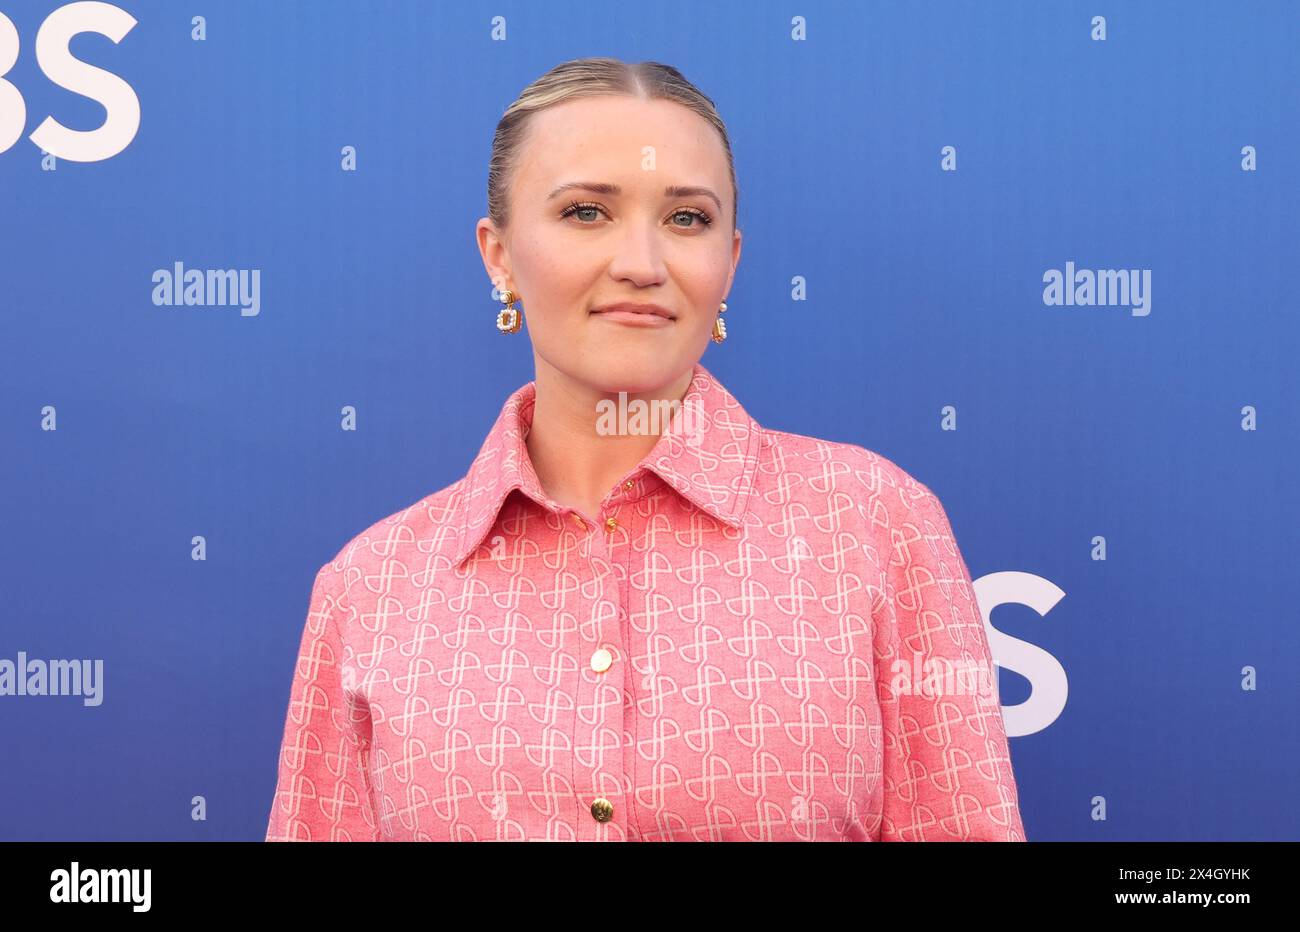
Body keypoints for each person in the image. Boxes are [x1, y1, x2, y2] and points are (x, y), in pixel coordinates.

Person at [264, 57, 1026, 842]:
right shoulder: (371, 588)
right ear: (499, 256)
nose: (641, 264)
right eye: (587, 212)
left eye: (686, 219)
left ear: (731, 259)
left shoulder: (873, 524)